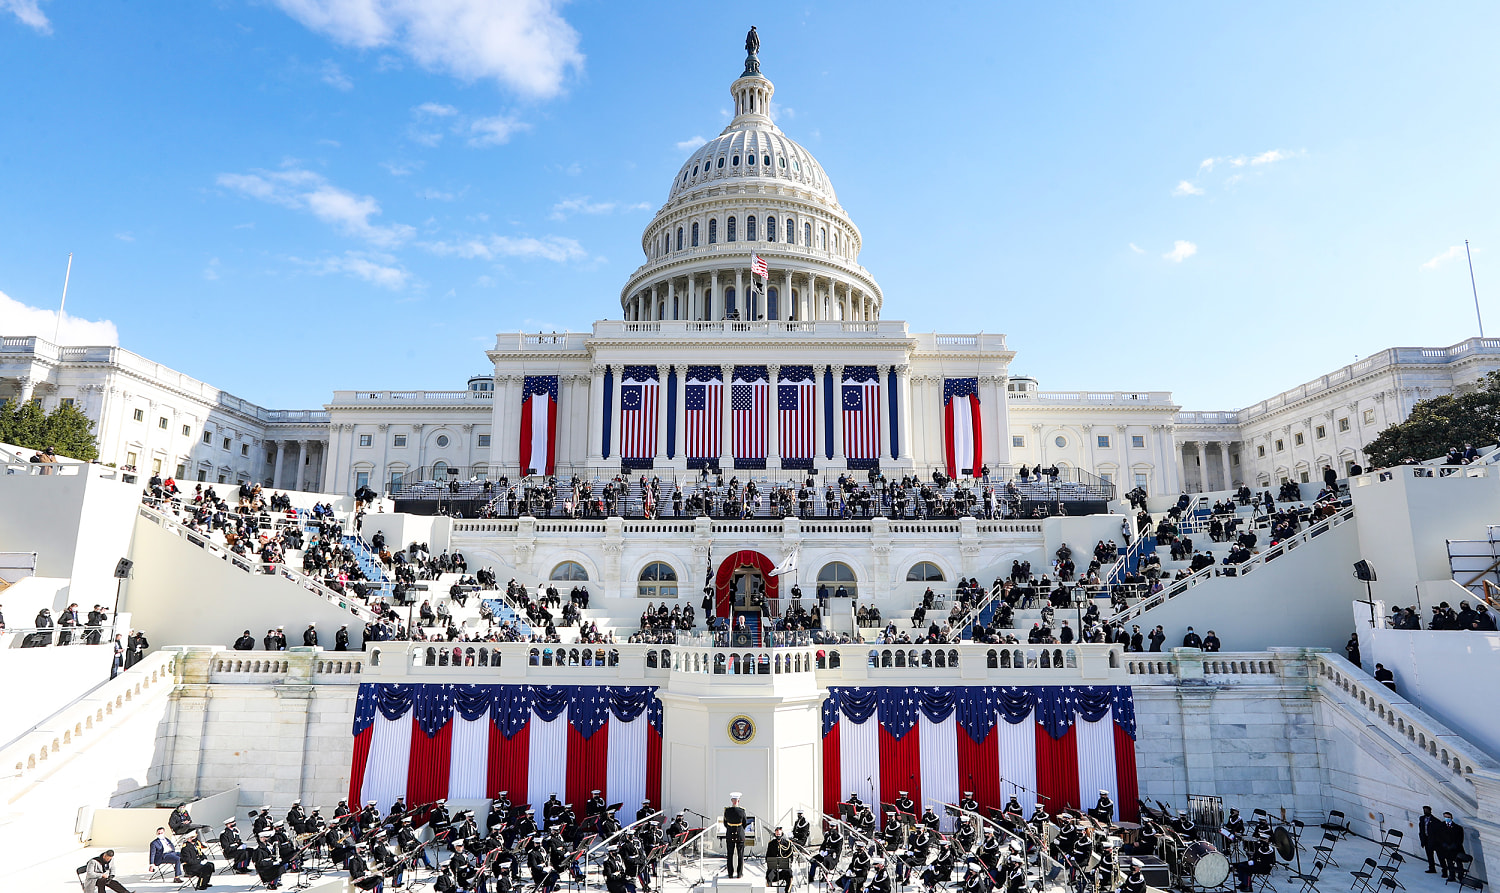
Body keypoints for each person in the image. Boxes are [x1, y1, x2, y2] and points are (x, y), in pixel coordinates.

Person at [1435, 812, 1466, 880]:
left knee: (1459, 862)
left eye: (1448, 817)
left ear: (1451, 818)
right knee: (1449, 862)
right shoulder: (1441, 826)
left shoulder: (1458, 828)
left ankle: (1460, 876)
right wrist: (1444, 844)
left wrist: (1454, 845)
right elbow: (1438, 836)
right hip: (1446, 848)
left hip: (1456, 848)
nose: (1447, 818)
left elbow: (1460, 839)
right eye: (1445, 817)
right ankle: (1452, 876)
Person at [723, 792, 747, 878]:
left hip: (730, 833)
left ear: (731, 800)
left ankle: (730, 873)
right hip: (740, 834)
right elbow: (744, 823)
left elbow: (725, 823)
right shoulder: (742, 810)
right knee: (740, 855)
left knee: (730, 855)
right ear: (738, 801)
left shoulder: (727, 810)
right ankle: (739, 873)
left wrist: (730, 828)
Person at [766, 826, 795, 893]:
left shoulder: (787, 844)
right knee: (769, 874)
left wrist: (786, 862)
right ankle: (770, 890)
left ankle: (787, 891)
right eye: (776, 834)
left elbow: (790, 857)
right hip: (774, 868)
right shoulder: (771, 844)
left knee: (789, 874)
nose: (778, 835)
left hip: (784, 868)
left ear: (782, 834)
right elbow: (768, 856)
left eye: (779, 834)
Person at [1419, 805, 1439, 873]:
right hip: (1426, 839)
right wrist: (1422, 840)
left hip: (1434, 840)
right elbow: (1421, 830)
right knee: (1429, 855)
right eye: (1424, 810)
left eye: (1427, 810)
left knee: (1439, 856)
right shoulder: (1422, 818)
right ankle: (1432, 868)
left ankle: (1444, 870)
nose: (1425, 811)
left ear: (1430, 811)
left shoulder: (1435, 821)